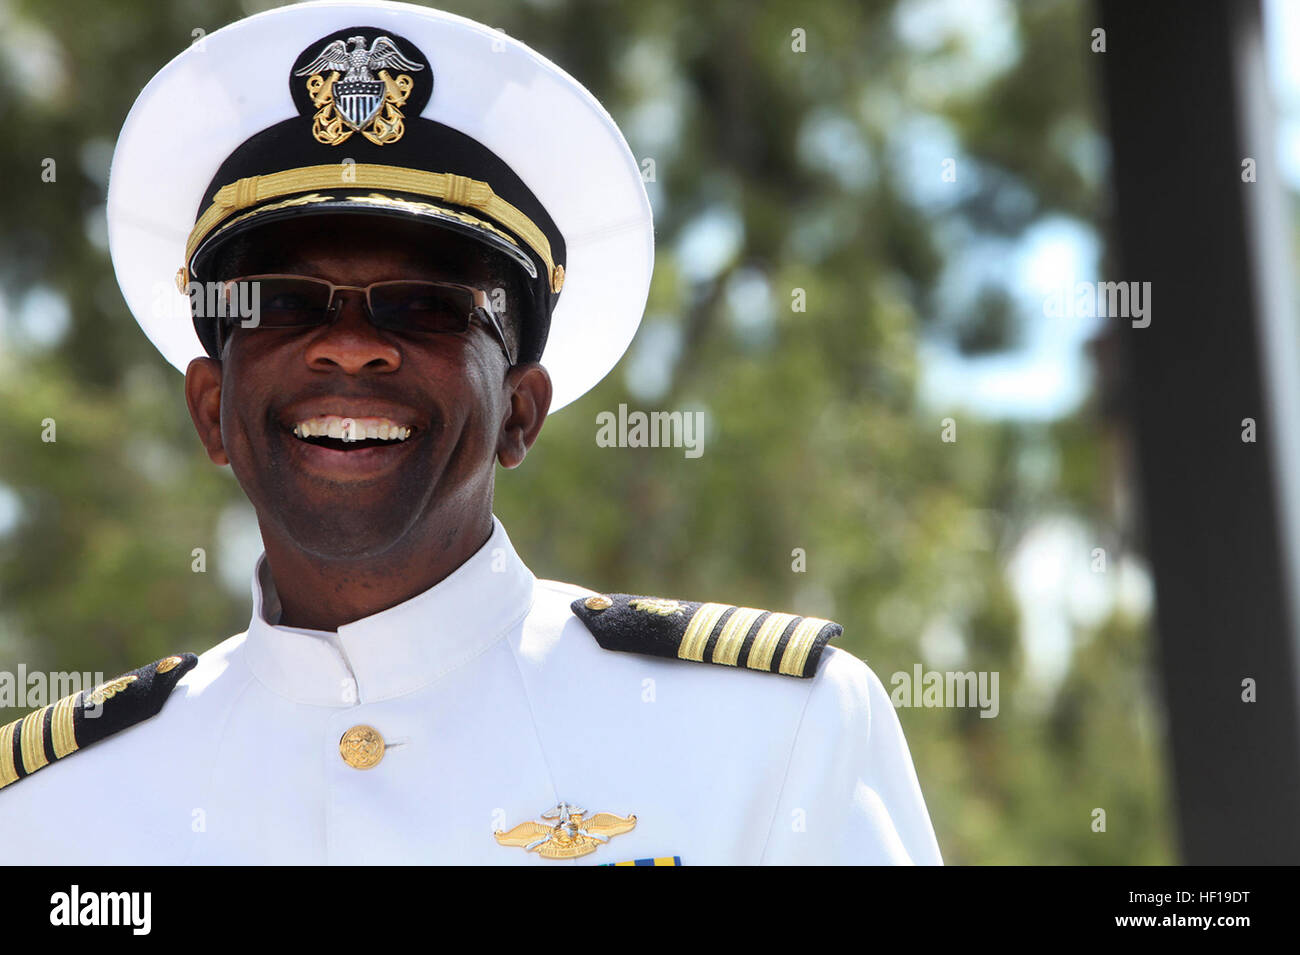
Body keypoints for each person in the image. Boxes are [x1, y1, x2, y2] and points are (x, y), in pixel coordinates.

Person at [0, 1, 942, 865]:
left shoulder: (773, 735)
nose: (352, 347)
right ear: (211, 408)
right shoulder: (51, 809)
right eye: (285, 303)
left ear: (521, 411)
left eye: (425, 307)